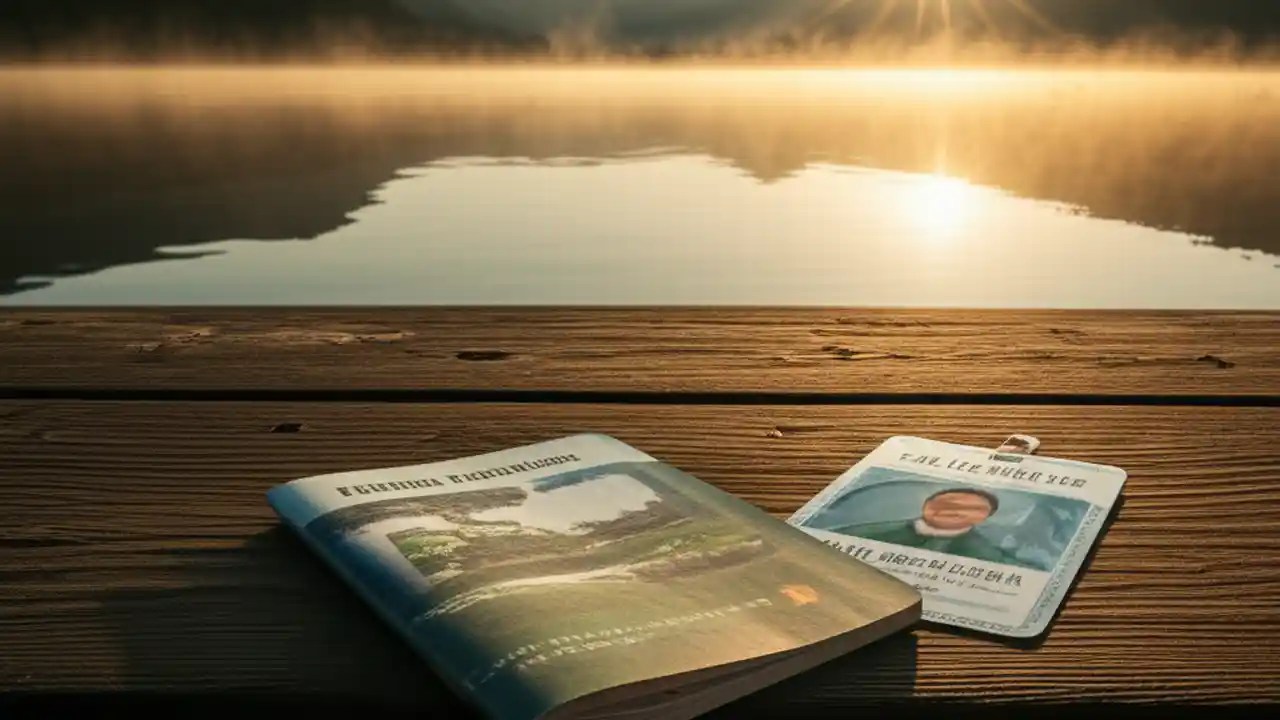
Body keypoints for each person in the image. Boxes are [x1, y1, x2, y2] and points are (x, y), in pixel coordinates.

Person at [832, 488, 1022, 566]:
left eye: (972, 508)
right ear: (926, 505)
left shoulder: (987, 554)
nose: (954, 510)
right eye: (947, 503)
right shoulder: (864, 532)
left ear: (984, 517)